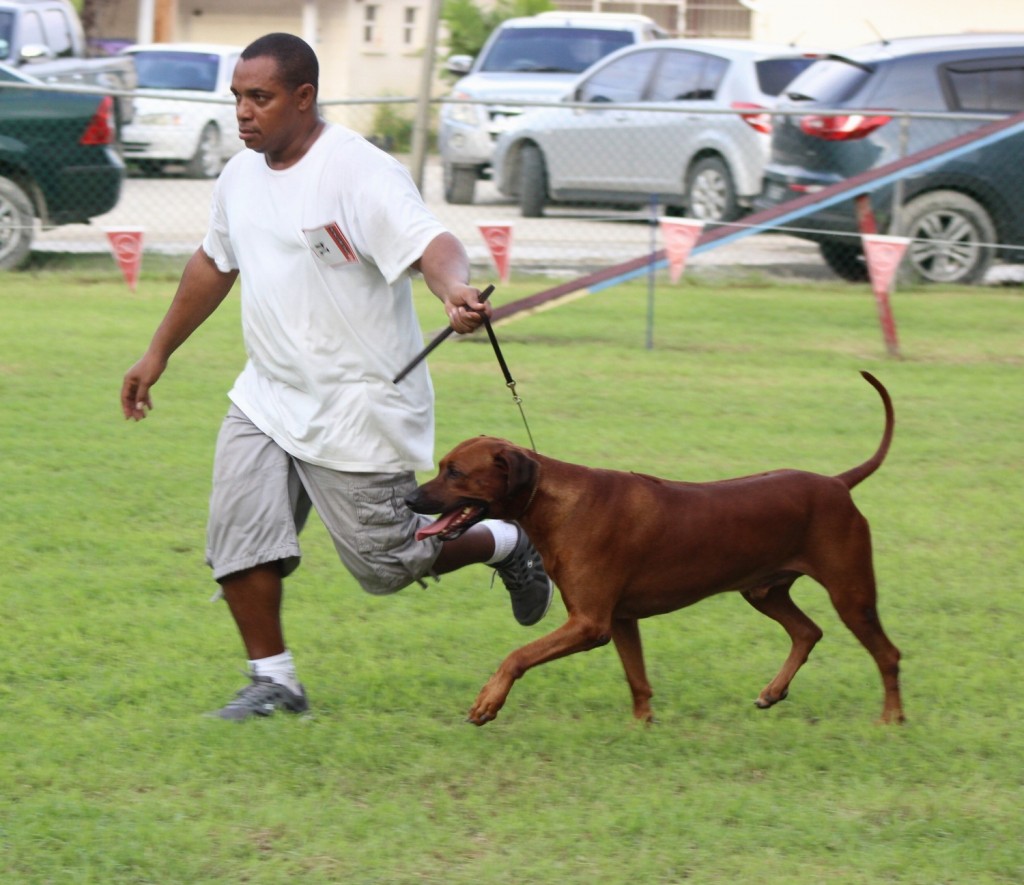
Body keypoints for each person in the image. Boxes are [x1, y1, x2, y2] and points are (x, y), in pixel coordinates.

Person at [120, 33, 552, 721]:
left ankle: (506, 539)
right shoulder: (239, 177)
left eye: (259, 98)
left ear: (304, 97)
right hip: (267, 395)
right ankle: (275, 682)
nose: (244, 112)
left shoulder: (359, 172)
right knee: (237, 536)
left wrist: (453, 289)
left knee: (384, 563)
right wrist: (156, 353)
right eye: (236, 97)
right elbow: (214, 263)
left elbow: (431, 244)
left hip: (359, 406)